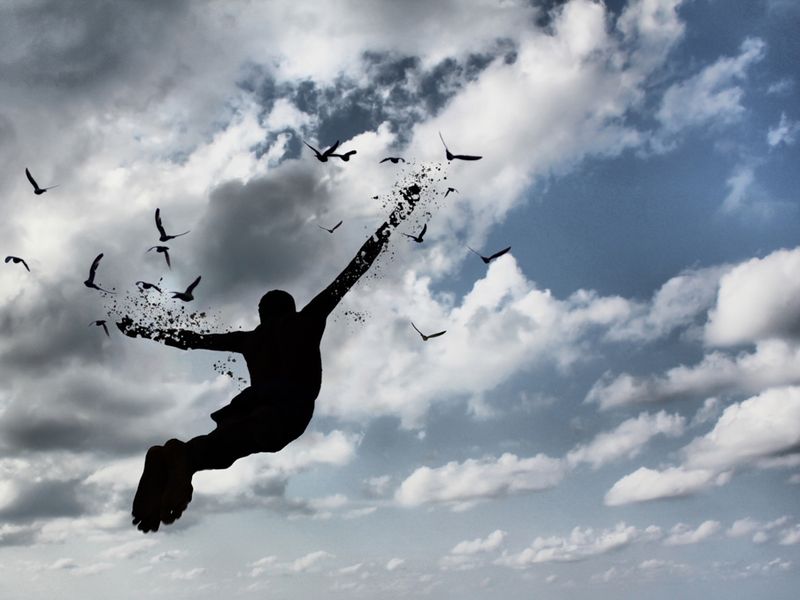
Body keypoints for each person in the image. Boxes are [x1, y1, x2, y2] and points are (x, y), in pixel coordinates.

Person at [119, 184, 422, 533]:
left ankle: (179, 455)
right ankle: (181, 466)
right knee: (244, 444)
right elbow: (356, 268)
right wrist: (396, 217)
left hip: (251, 405)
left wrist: (144, 330)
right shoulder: (306, 321)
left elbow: (193, 341)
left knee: (221, 447)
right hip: (288, 406)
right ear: (289, 309)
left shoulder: (251, 339)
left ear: (262, 314)